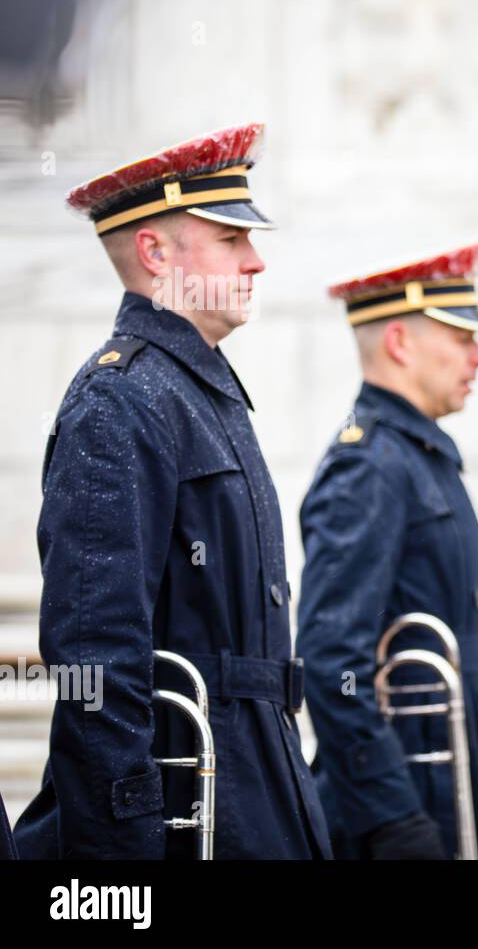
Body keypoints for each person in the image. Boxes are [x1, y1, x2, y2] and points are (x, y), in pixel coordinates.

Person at [14, 123, 332, 859]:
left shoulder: (194, 392)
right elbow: (93, 653)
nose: (256, 262)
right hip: (193, 819)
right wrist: (125, 851)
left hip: (258, 791)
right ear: (156, 253)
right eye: (229, 240)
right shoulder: (118, 401)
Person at [297, 244, 478, 859]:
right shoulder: (370, 465)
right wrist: (391, 816)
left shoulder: (415, 454)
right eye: (460, 336)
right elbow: (329, 660)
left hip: (453, 768)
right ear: (400, 342)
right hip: (411, 788)